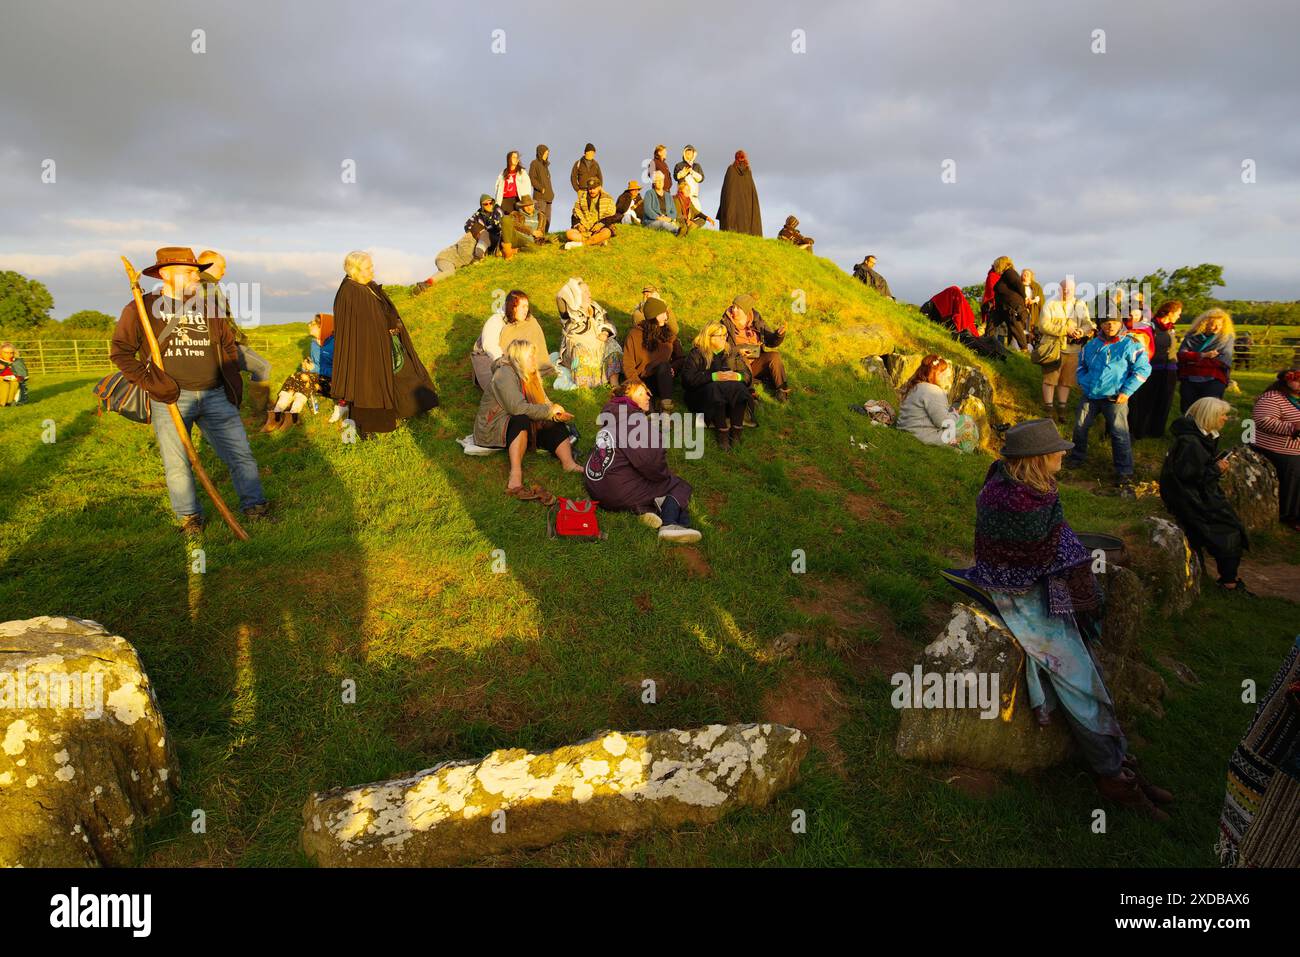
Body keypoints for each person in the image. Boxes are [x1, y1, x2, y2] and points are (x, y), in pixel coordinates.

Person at [963, 419, 1173, 820]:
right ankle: (1112, 776)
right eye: (1056, 449)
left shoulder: (1032, 487)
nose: (1063, 452)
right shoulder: (1013, 500)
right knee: (1076, 679)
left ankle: (1117, 758)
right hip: (1017, 591)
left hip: (1035, 581)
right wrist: (1073, 568)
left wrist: (1071, 564)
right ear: (1038, 458)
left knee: (1087, 667)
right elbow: (1032, 558)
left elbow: (1054, 541)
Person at [110, 246, 268, 533]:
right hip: (170, 399)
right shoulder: (140, 308)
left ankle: (255, 507)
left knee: (240, 454)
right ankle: (190, 518)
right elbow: (121, 353)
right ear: (165, 274)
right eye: (189, 272)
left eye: (197, 272)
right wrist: (152, 383)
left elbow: (228, 346)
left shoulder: (209, 307)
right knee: (177, 463)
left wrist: (232, 382)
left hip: (215, 395)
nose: (196, 277)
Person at [331, 250, 438, 438]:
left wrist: (391, 325)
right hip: (367, 350)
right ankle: (367, 427)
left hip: (387, 342)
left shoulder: (367, 286)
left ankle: (416, 407)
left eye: (371, 266)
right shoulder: (350, 291)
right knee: (368, 388)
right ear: (355, 270)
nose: (372, 271)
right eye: (368, 268)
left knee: (404, 372)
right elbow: (357, 327)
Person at [584, 381, 701, 542]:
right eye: (640, 393)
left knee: (640, 478)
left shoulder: (612, 414)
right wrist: (665, 477)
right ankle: (670, 523)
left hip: (595, 486)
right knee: (678, 485)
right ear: (627, 397)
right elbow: (651, 463)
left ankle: (644, 510)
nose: (647, 397)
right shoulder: (634, 421)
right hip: (616, 493)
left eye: (647, 393)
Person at [1159, 398, 1252, 594]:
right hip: (1190, 497)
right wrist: (1216, 469)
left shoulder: (1201, 436)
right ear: (1209, 416)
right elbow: (1188, 476)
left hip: (1196, 494)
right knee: (1229, 529)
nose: (1225, 418)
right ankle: (1229, 582)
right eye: (1222, 415)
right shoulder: (1191, 442)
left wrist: (1214, 467)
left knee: (1227, 525)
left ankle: (1225, 578)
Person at [473, 339, 583, 502]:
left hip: (516, 420)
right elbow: (517, 408)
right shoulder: (504, 374)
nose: (534, 359)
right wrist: (549, 411)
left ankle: (569, 464)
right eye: (530, 356)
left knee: (553, 420)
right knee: (522, 419)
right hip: (494, 426)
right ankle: (516, 473)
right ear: (519, 358)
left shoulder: (529, 373)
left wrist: (555, 413)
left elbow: (544, 402)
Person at [1063, 313, 1151, 486]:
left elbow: (1143, 369)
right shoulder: (1091, 345)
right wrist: (1085, 383)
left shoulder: (1131, 344)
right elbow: (1081, 367)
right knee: (1080, 427)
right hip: (1090, 396)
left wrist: (1127, 391)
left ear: (1120, 324)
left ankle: (1124, 471)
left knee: (1119, 433)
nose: (1110, 326)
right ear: (1101, 325)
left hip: (1115, 398)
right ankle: (1076, 458)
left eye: (1114, 323)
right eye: (1106, 323)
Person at [197, 249, 273, 415]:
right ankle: (260, 410)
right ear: (210, 266)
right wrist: (233, 340)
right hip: (225, 344)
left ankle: (254, 407)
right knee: (263, 367)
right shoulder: (205, 286)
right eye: (222, 267)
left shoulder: (206, 285)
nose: (224, 271)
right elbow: (217, 321)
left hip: (228, 342)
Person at [262, 314, 340, 432]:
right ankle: (277, 414)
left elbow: (338, 372)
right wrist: (306, 367)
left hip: (333, 383)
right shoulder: (314, 343)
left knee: (303, 379)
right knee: (295, 376)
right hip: (315, 378)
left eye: (313, 323)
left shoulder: (336, 344)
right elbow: (314, 366)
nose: (309, 324)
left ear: (324, 326)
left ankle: (290, 416)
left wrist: (313, 368)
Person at [681, 322, 751, 450]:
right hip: (703, 398)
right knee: (715, 388)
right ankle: (722, 431)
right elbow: (687, 380)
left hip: (729, 398)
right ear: (709, 337)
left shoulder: (732, 352)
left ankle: (736, 431)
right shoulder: (697, 354)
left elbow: (747, 376)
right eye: (720, 336)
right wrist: (713, 376)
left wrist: (737, 376)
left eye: (725, 335)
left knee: (740, 388)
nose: (724, 338)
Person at [1035, 277, 1094, 422]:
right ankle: (1048, 411)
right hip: (1053, 348)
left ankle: (1062, 411)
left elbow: (1088, 324)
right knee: (1050, 380)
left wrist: (1081, 331)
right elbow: (1043, 325)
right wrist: (1065, 330)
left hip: (1073, 350)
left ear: (1075, 290)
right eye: (1064, 289)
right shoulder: (1050, 304)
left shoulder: (1080, 305)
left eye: (1070, 289)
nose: (1066, 291)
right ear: (1059, 289)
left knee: (1066, 382)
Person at [470, 289, 553, 392]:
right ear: (513, 307)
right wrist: (504, 363)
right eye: (523, 306)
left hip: (513, 358)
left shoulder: (527, 321)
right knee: (501, 386)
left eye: (527, 306)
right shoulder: (496, 321)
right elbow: (489, 345)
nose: (526, 310)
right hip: (491, 357)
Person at [1249, 364, 1300, 531]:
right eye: (1297, 379)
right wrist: (1293, 428)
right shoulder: (1272, 397)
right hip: (1276, 448)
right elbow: (1263, 421)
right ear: (1287, 379)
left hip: (1294, 447)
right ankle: (1290, 514)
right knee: (1295, 470)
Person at [895, 354, 979, 453]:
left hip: (906, 429)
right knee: (967, 421)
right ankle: (963, 450)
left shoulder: (916, 386)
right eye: (943, 373)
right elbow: (942, 422)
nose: (946, 377)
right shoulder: (933, 391)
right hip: (923, 436)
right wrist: (955, 415)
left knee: (960, 420)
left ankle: (957, 448)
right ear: (935, 373)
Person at [723, 292, 788, 405]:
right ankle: (750, 394)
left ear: (746, 310)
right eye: (733, 306)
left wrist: (778, 335)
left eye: (738, 308)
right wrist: (739, 350)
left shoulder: (756, 320)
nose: (734, 310)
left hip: (756, 361)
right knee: (742, 358)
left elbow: (770, 341)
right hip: (738, 364)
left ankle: (781, 390)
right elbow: (722, 348)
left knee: (774, 356)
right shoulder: (725, 323)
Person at [555, 277, 621, 388]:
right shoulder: (569, 311)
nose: (589, 294)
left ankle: (614, 384)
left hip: (597, 348)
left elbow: (608, 321)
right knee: (579, 350)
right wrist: (573, 284)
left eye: (589, 291)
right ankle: (585, 385)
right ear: (576, 295)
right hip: (579, 348)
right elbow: (560, 296)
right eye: (585, 292)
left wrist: (605, 333)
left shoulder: (596, 307)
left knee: (612, 345)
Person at [622, 296, 684, 412]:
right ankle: (650, 410)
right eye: (662, 314)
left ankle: (666, 408)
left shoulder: (668, 333)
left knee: (664, 366)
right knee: (648, 413)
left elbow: (680, 358)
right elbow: (628, 364)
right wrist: (639, 385)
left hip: (663, 379)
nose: (666, 317)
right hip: (642, 381)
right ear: (653, 315)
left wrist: (673, 368)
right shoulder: (634, 335)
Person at [1138, 300, 1183, 438]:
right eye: (1178, 313)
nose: (1179, 316)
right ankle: (1141, 430)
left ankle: (1157, 431)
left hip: (1169, 370)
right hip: (1152, 369)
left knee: (1165, 401)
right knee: (1147, 400)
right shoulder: (1151, 326)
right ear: (1170, 313)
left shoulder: (1171, 328)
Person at [1177, 307, 1235, 413]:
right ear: (1204, 324)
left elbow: (1222, 361)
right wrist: (1203, 355)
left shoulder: (1226, 339)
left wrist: (1192, 359)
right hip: (1190, 379)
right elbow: (1181, 356)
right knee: (1188, 411)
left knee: (1209, 412)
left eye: (1220, 325)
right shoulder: (1191, 337)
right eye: (1213, 324)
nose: (1217, 328)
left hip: (1214, 380)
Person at [1123, 302, 1160, 439]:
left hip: (1135, 371)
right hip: (1120, 371)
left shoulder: (1144, 330)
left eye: (1136, 315)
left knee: (1134, 402)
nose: (1133, 318)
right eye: (1130, 315)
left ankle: (1132, 431)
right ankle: (1112, 430)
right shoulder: (1121, 328)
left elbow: (1145, 352)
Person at [716, 150, 762, 236]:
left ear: (736, 158)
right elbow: (751, 191)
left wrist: (724, 204)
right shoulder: (748, 171)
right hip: (746, 204)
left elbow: (726, 190)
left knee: (732, 213)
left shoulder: (731, 169)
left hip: (733, 203)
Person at [989, 256, 1028, 351]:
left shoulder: (1010, 273)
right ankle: (987, 341)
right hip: (1002, 307)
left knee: (1015, 327)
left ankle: (1024, 349)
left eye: (996, 265)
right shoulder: (1004, 275)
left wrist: (1024, 297)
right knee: (992, 323)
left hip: (1011, 306)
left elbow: (1019, 285)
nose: (995, 267)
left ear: (1001, 264)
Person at [565, 178, 616, 248]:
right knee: (569, 233)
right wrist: (578, 225)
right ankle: (597, 241)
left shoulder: (608, 199)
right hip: (585, 228)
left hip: (601, 227)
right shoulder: (582, 199)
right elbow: (575, 215)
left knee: (606, 232)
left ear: (599, 187)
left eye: (594, 188)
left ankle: (581, 244)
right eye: (590, 189)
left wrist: (601, 224)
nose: (592, 191)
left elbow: (611, 216)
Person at [500, 195, 548, 259]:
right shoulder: (516, 214)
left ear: (533, 205)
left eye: (530, 205)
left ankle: (513, 251)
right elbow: (514, 224)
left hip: (529, 242)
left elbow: (542, 232)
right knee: (506, 218)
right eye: (526, 206)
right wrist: (531, 231)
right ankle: (507, 250)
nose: (529, 208)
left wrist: (544, 237)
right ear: (522, 206)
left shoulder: (541, 216)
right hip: (517, 238)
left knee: (536, 249)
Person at [493, 150, 532, 216]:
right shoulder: (503, 173)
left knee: (517, 219)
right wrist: (497, 202)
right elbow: (497, 187)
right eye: (514, 157)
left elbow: (528, 187)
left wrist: (526, 202)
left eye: (517, 157)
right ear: (509, 159)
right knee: (505, 219)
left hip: (517, 200)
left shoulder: (522, 173)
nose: (516, 159)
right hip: (504, 201)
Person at [465, 194, 503, 260]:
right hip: (486, 237)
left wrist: (486, 229)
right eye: (486, 204)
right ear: (482, 205)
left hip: (499, 235)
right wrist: (479, 230)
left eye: (490, 203)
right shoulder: (478, 214)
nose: (489, 205)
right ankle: (479, 256)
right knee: (482, 233)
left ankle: (498, 251)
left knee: (486, 233)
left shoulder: (497, 209)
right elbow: (467, 225)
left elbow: (498, 224)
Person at [527, 144, 554, 234]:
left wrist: (551, 193)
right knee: (540, 218)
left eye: (548, 153)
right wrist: (541, 188)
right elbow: (531, 178)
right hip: (540, 197)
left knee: (547, 218)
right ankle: (538, 236)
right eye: (546, 153)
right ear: (540, 153)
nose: (547, 155)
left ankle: (544, 236)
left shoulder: (545, 166)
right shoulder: (534, 163)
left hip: (549, 197)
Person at [1022, 268, 1044, 340]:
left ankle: (1031, 342)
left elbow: (1041, 299)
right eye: (1024, 274)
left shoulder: (1036, 286)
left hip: (1033, 311)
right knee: (1021, 328)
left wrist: (1034, 301)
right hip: (1021, 310)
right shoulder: (1018, 285)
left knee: (1032, 328)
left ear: (1031, 276)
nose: (1025, 275)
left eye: (1027, 274)